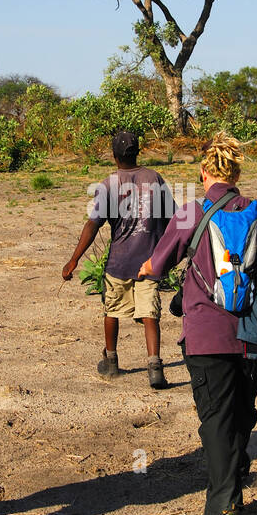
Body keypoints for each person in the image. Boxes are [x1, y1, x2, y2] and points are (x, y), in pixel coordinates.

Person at [140, 133, 257, 515]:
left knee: (215, 417)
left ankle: (225, 501)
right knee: (242, 410)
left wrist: (144, 269)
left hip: (205, 334)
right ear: (236, 173)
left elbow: (158, 265)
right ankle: (235, 471)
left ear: (203, 173)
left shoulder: (188, 213)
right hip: (255, 335)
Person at [62, 130, 174, 388]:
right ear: (138, 152)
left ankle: (111, 361)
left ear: (114, 156)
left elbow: (93, 225)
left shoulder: (109, 184)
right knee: (150, 314)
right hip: (150, 261)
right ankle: (155, 366)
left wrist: (74, 260)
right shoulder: (154, 178)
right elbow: (172, 219)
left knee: (111, 310)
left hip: (119, 261)